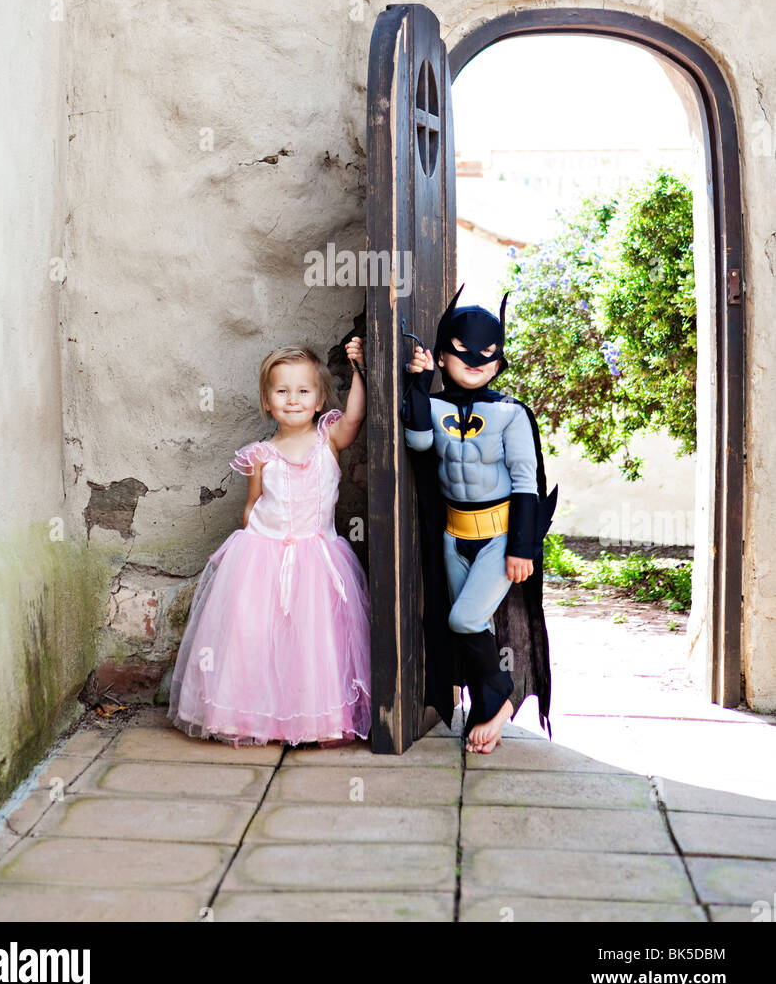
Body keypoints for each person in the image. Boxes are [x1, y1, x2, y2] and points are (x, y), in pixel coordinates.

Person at [167, 338, 371, 747]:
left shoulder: (328, 438)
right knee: (255, 636)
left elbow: (354, 417)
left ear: (318, 400)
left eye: (303, 391)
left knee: (312, 641)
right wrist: (255, 548)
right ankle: (249, 717)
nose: (292, 400)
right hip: (261, 556)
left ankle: (316, 720)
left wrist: (359, 369)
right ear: (266, 401)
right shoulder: (260, 454)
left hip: (316, 556)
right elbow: (252, 507)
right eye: (281, 391)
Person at [402, 286, 557, 754]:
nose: (476, 360)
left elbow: (527, 481)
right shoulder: (433, 405)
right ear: (443, 355)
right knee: (473, 627)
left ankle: (499, 699)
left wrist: (522, 547)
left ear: (500, 357)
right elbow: (419, 445)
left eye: (488, 353)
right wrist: (416, 383)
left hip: (499, 534)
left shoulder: (511, 413)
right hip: (453, 534)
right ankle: (487, 710)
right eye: (463, 351)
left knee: (464, 618)